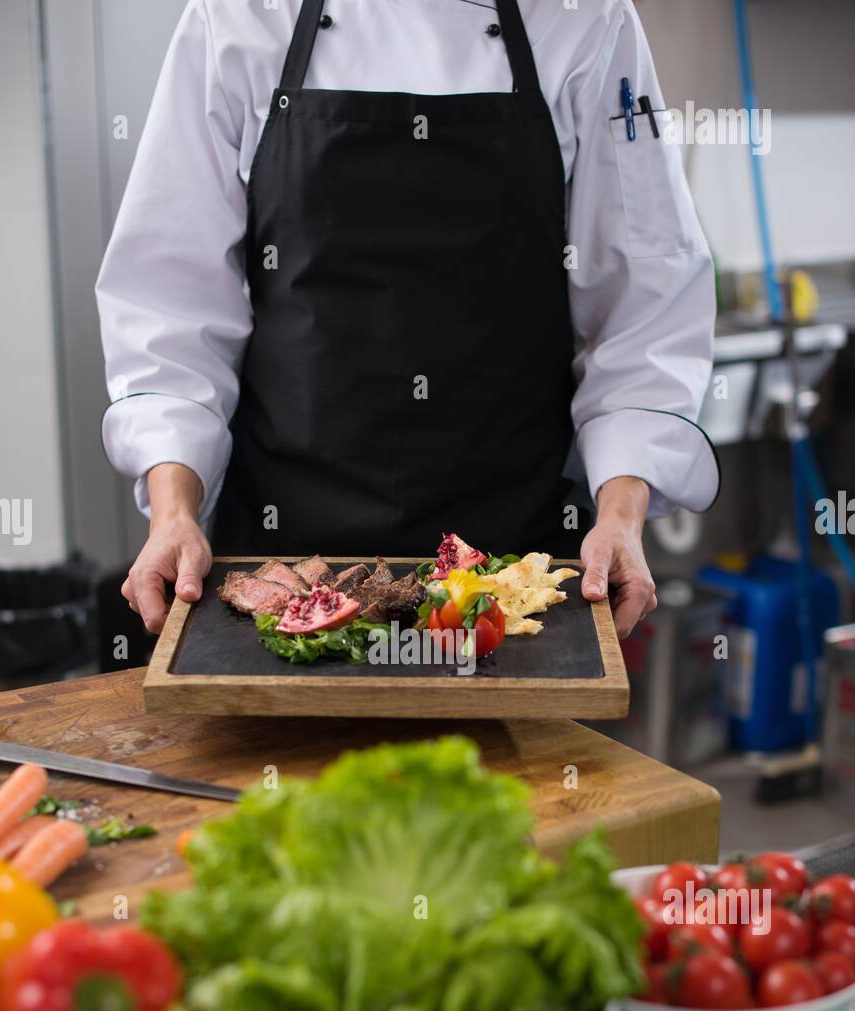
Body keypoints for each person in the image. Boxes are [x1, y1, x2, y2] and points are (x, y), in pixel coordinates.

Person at [97, 0, 718, 638]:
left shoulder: (587, 18)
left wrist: (619, 517)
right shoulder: (237, 16)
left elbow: (645, 304)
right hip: (282, 555)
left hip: (514, 572)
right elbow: (171, 300)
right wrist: (173, 513)